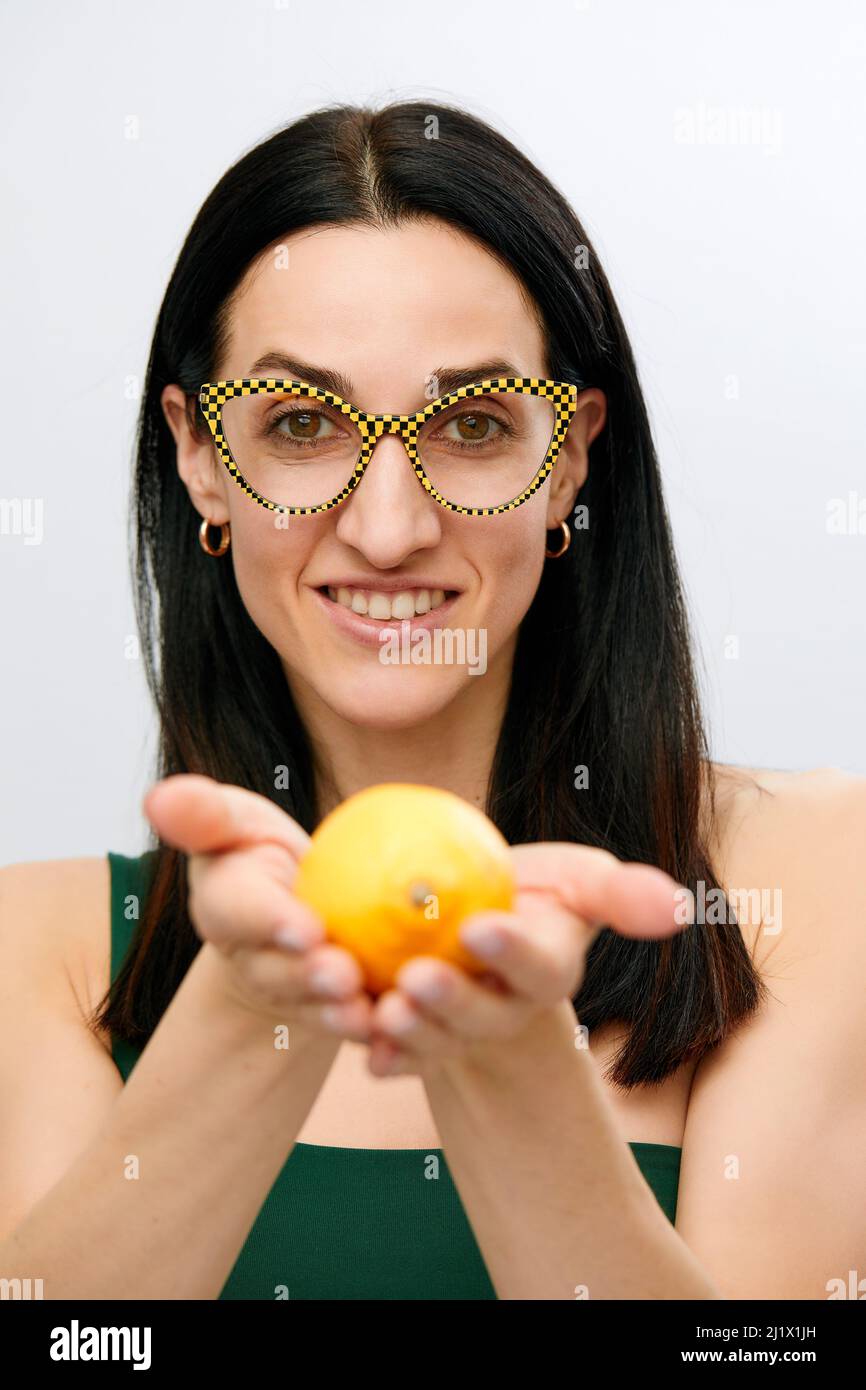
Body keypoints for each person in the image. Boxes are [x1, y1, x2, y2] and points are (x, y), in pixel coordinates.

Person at [1, 100, 863, 1302]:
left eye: (470, 424)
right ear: (199, 455)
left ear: (567, 459)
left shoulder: (809, 883)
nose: (391, 526)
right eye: (301, 424)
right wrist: (251, 1014)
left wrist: (509, 1073)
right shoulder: (32, 953)